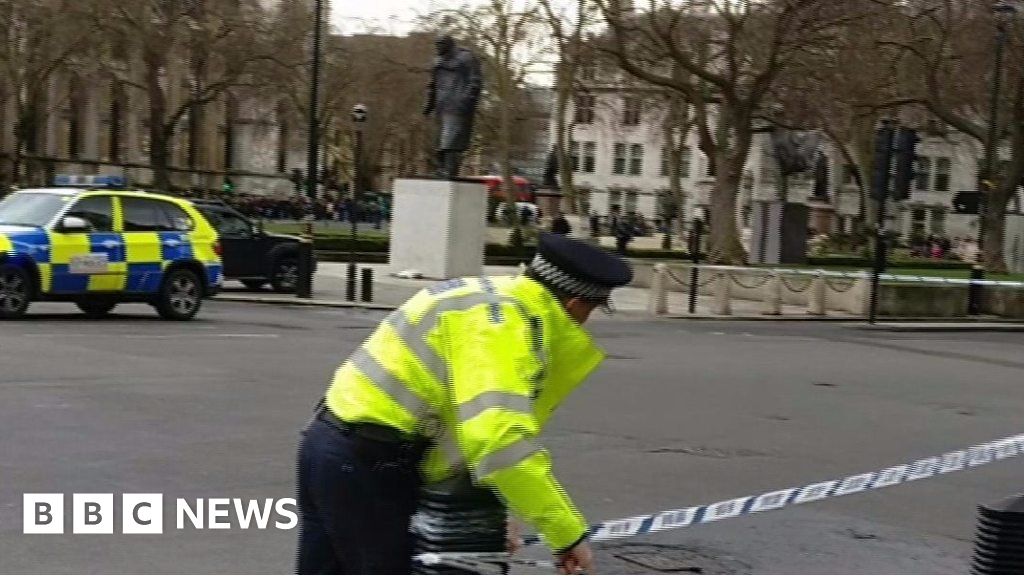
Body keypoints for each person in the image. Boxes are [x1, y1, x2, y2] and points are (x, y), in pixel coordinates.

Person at [296, 233, 633, 574]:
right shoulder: (504, 327)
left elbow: (464, 426)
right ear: (575, 304)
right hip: (370, 469)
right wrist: (567, 535)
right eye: (591, 310)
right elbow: (499, 440)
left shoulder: (483, 297)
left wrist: (502, 508)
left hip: (330, 447)